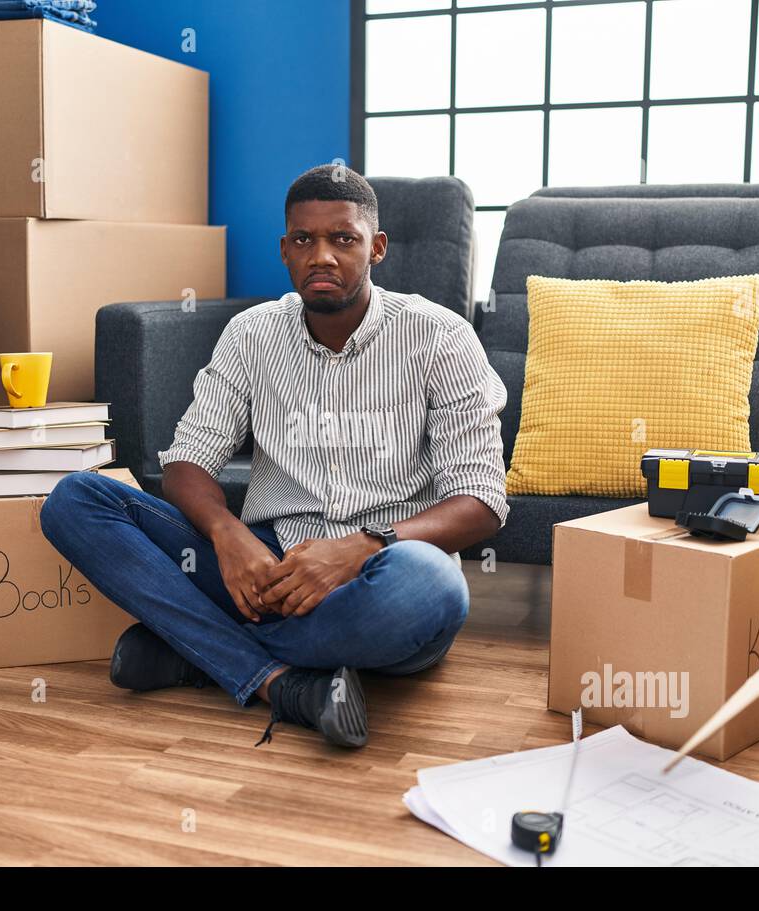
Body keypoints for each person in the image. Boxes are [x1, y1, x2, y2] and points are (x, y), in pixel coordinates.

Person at [41, 164, 508, 748]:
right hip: (261, 576)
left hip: (377, 576)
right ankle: (282, 682)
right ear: (285, 250)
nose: (323, 256)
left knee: (431, 587)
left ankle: (199, 654)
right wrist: (227, 535)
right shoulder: (252, 333)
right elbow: (187, 461)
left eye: (344, 238)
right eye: (304, 240)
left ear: (377, 248)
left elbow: (483, 502)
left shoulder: (441, 337)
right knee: (75, 498)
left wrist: (362, 547)